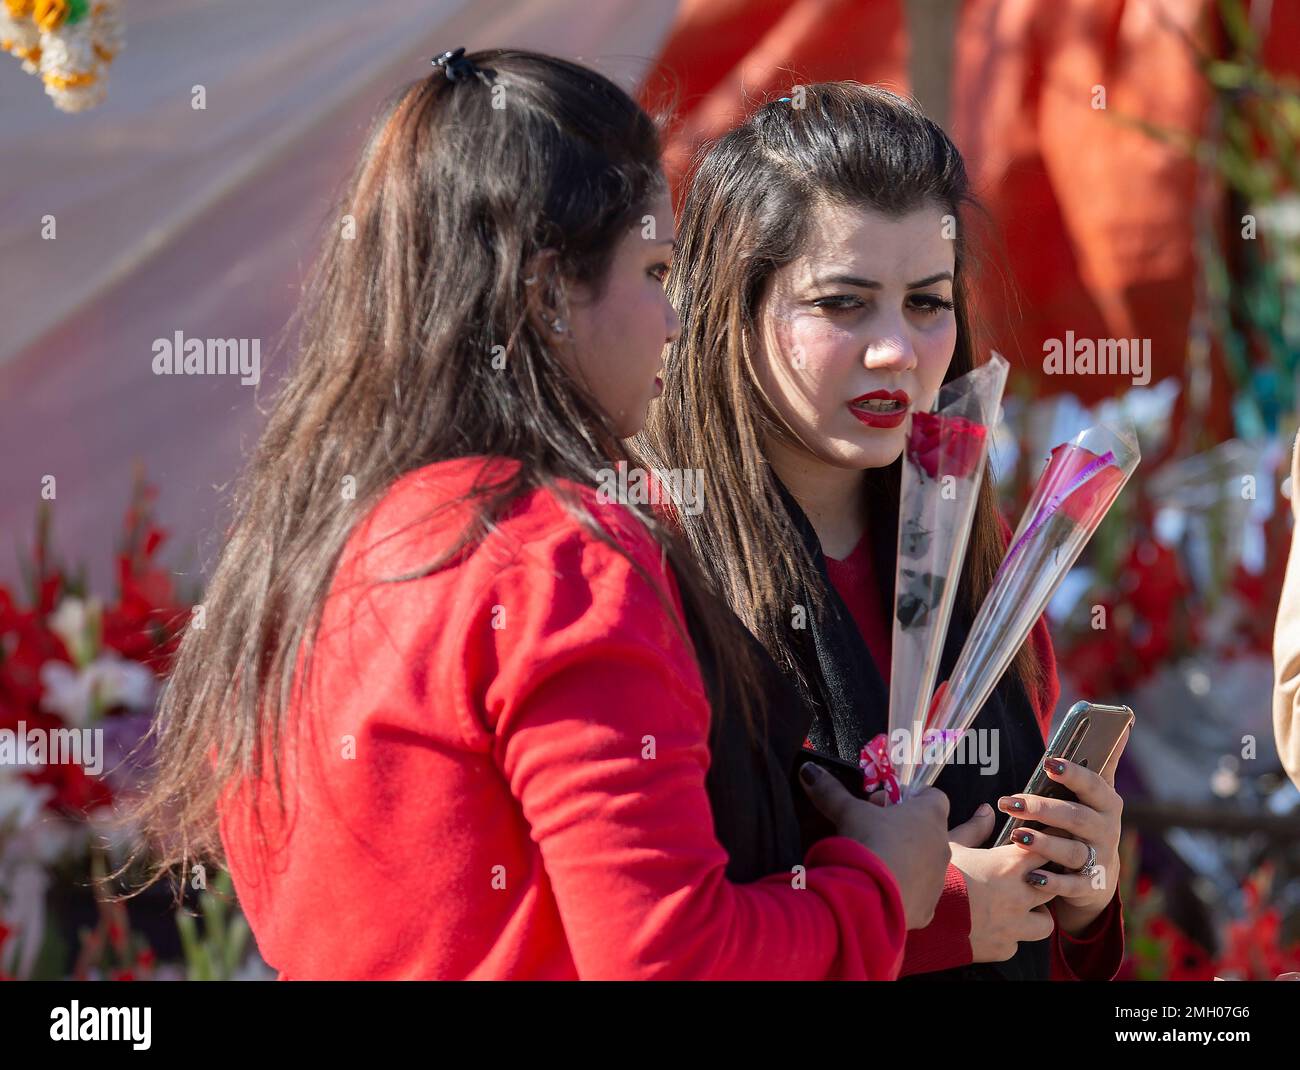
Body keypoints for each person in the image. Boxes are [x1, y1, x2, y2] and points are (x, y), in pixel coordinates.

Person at [123, 50, 951, 980]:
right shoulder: (554, 563)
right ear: (552, 292)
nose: (674, 322)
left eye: (930, 302)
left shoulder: (305, 548)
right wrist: (878, 887)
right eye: (654, 270)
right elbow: (666, 959)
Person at [637, 82, 1127, 980]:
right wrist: (923, 914)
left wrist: (1082, 890)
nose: (897, 350)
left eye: (928, 303)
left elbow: (1042, 943)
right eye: (842, 303)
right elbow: (650, 932)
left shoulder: (977, 554)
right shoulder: (656, 562)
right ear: (730, 314)